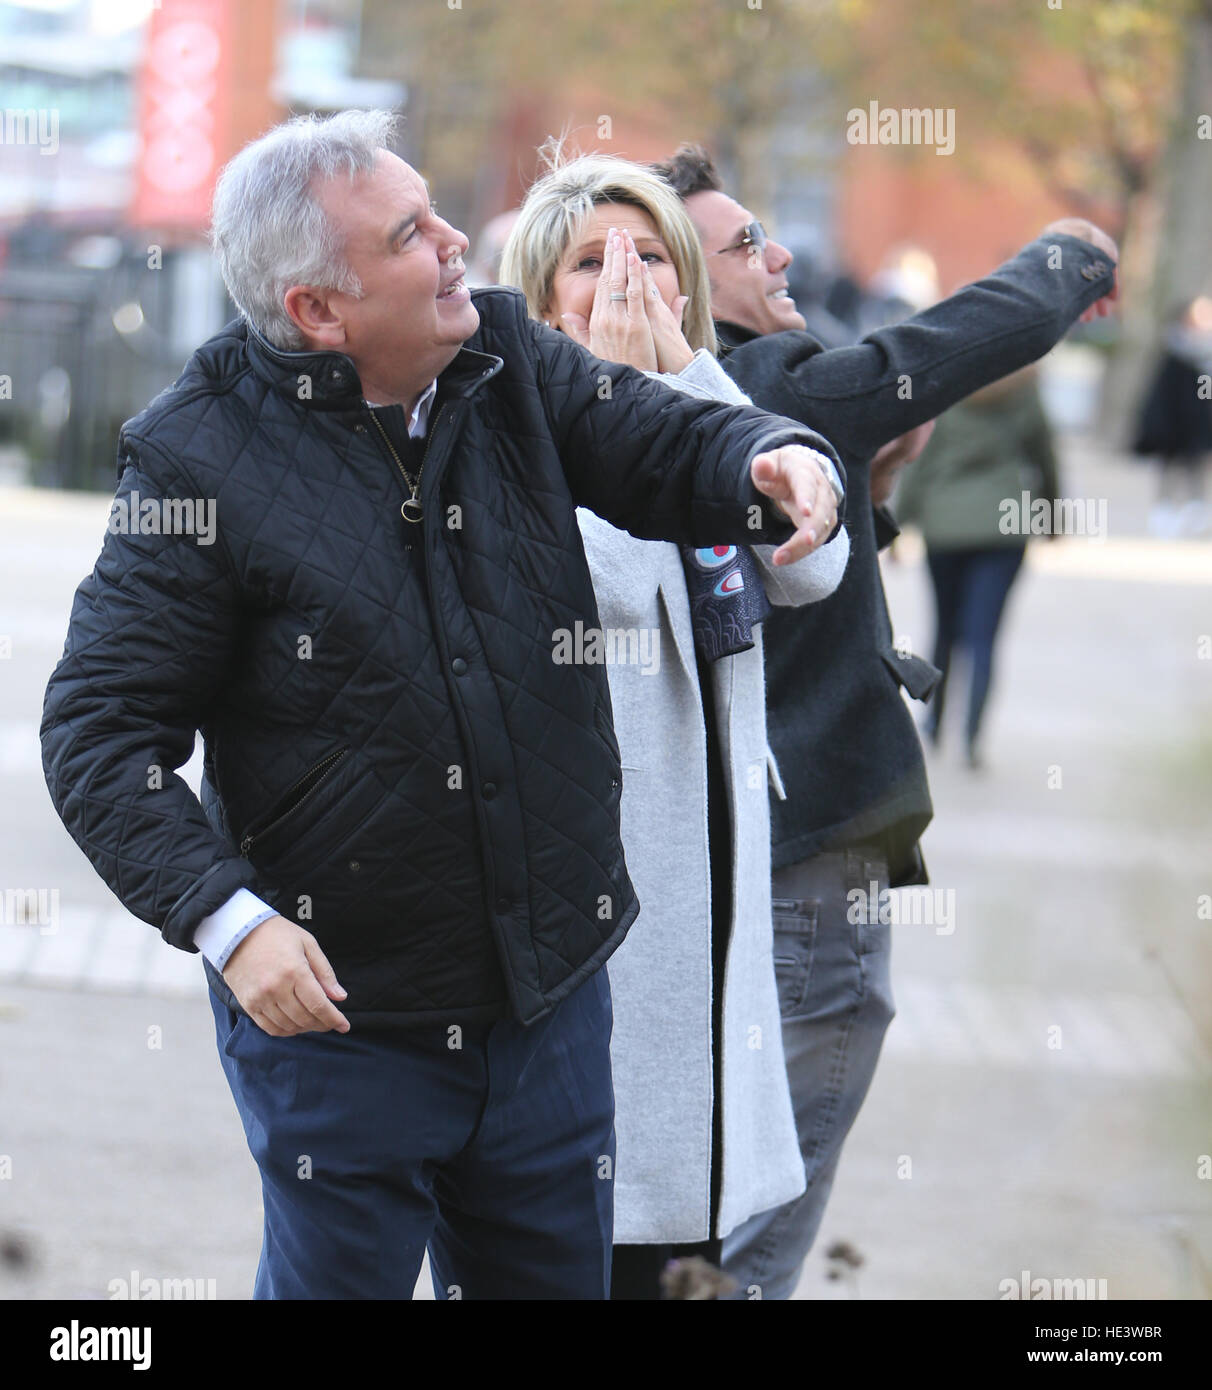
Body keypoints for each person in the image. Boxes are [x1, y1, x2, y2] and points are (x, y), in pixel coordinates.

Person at [37, 111, 845, 1302]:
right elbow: (98, 731)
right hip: (344, 1028)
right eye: (412, 232)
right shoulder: (194, 460)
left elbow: (650, 433)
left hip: (550, 1002)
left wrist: (762, 455)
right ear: (320, 309)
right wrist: (226, 919)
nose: (459, 240)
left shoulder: (505, 357)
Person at [653, 142, 1119, 1299]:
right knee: (780, 1161)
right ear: (676, 288)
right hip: (809, 848)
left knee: (708, 1151)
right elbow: (971, 336)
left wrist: (866, 500)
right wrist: (1075, 253)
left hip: (703, 855)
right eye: (746, 243)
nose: (783, 251)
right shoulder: (777, 388)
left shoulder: (633, 416)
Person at [499, 149, 848, 1299]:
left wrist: (688, 389)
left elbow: (814, 568)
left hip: (713, 864)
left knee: (674, 1219)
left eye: (652, 257)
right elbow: (583, 591)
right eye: (593, 263)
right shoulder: (518, 428)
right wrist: (611, 406)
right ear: (543, 295)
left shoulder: (720, 406)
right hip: (602, 870)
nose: (628, 282)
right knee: (594, 1206)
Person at [893, 366, 1060, 767]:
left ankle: (934, 722)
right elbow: (1045, 457)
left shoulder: (947, 385)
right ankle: (972, 735)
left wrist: (899, 523)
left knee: (945, 628)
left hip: (945, 522)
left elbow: (920, 459)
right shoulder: (1025, 387)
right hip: (1006, 526)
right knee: (984, 636)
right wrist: (1053, 517)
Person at [1133, 297, 1212, 538]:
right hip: (1174, 423)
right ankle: (1165, 510)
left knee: (1197, 467)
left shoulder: (1207, 357)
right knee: (1169, 468)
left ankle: (1196, 509)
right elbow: (1161, 392)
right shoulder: (1174, 351)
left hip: (1201, 425)